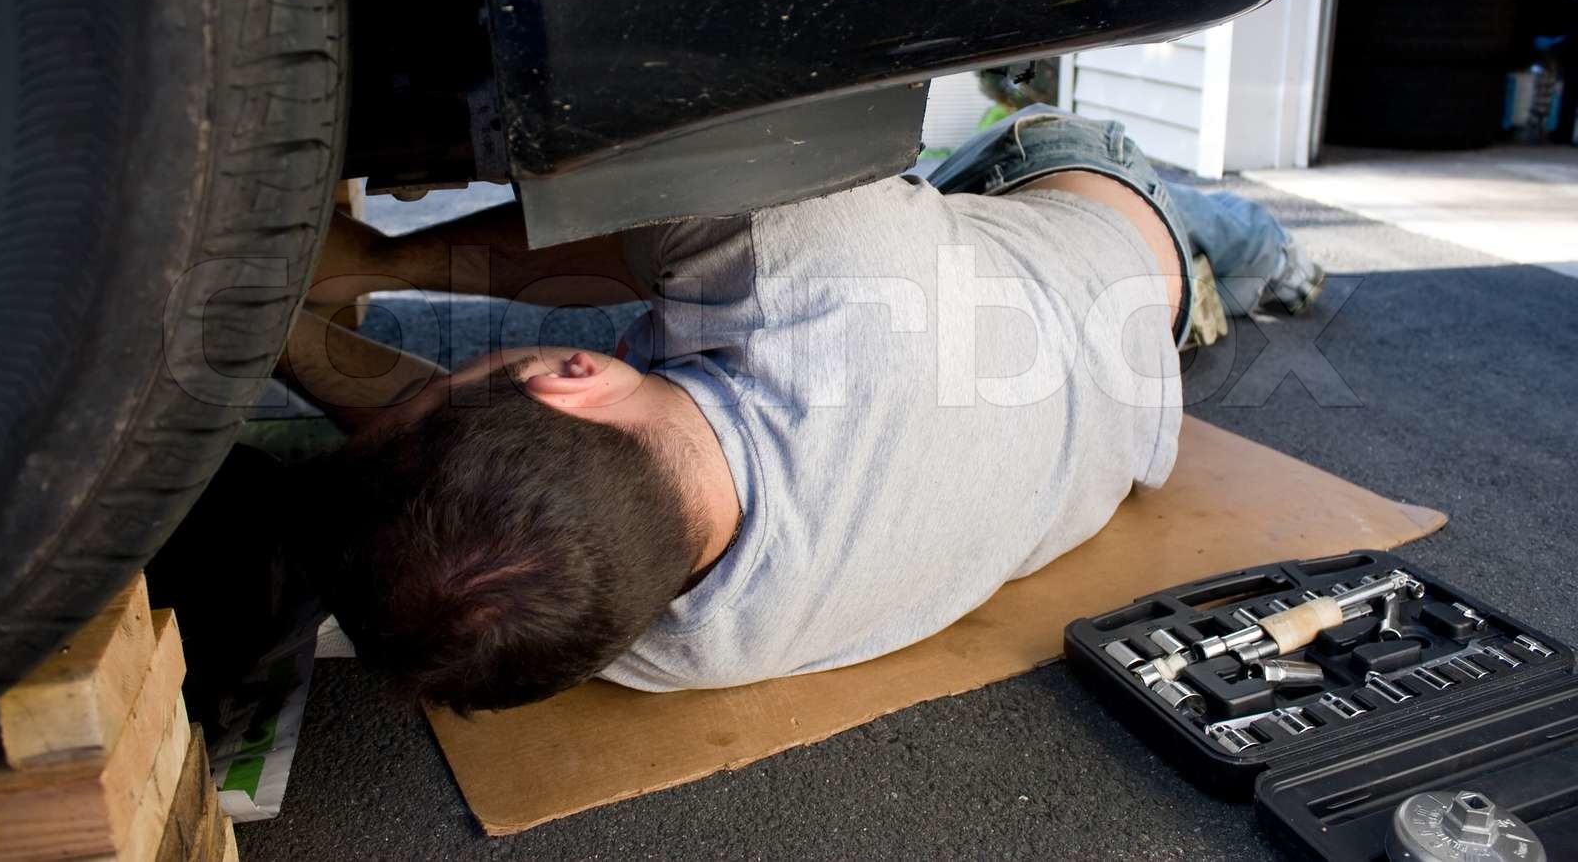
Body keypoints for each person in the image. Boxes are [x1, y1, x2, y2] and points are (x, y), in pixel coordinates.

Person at [286, 105, 1320, 713]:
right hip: (1100, 230)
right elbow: (623, 238)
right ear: (568, 374)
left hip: (1115, 409)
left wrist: (276, 335)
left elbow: (453, 513)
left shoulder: (663, 643)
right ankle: (1266, 244)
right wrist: (384, 257)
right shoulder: (806, 251)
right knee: (1092, 166)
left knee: (993, 186)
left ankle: (1230, 253)